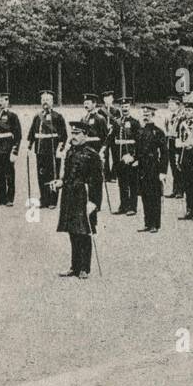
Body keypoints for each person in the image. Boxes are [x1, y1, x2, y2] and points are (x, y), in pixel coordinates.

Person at [52, 121, 102, 279]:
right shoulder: (70, 152)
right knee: (72, 231)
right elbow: (67, 175)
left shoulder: (92, 155)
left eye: (77, 133)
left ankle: (84, 268)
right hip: (69, 196)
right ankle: (74, 266)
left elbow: (97, 181)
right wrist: (60, 182)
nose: (73, 136)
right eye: (72, 133)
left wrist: (94, 202)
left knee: (84, 232)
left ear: (85, 135)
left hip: (83, 197)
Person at [27, 91, 67, 208]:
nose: (45, 102)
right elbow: (32, 134)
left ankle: (53, 200)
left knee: (53, 175)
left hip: (53, 151)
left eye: (48, 100)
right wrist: (29, 147)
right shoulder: (37, 117)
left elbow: (63, 136)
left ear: (52, 102)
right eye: (43, 100)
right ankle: (44, 199)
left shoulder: (57, 117)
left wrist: (60, 149)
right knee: (41, 175)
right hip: (40, 151)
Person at [135, 104, 169, 233]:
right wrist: (135, 159)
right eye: (144, 115)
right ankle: (147, 223)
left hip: (154, 166)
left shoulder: (158, 132)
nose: (145, 117)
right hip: (142, 167)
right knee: (144, 195)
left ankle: (155, 224)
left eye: (148, 114)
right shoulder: (139, 131)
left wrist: (163, 171)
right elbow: (137, 149)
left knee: (154, 196)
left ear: (152, 115)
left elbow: (164, 152)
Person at [110, 98, 142, 216]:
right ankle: (123, 206)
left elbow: (139, 141)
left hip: (130, 157)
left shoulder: (135, 122)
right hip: (119, 158)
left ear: (130, 108)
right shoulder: (117, 122)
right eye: (122, 107)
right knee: (122, 183)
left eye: (126, 106)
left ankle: (132, 207)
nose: (124, 109)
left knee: (132, 183)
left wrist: (135, 157)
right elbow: (111, 138)